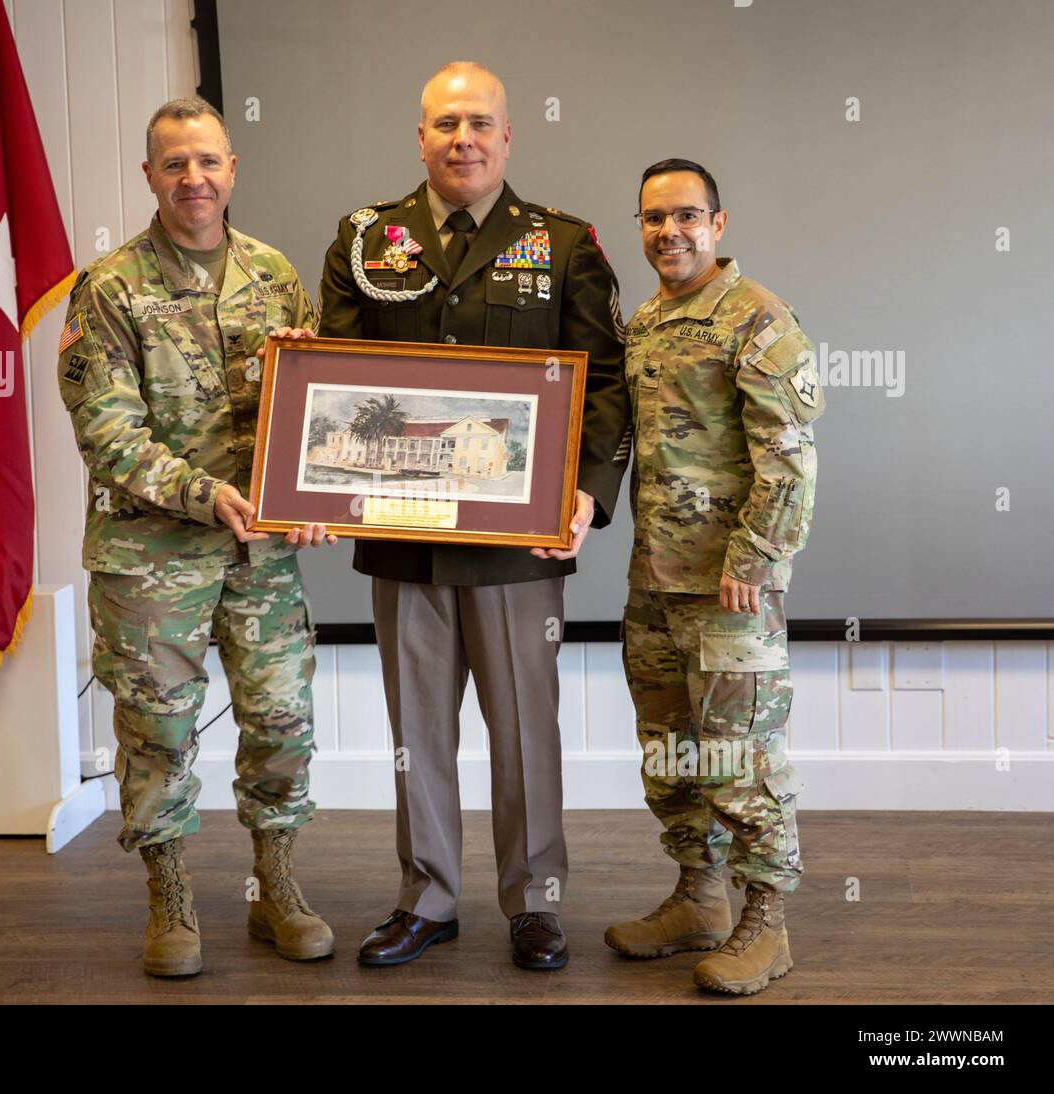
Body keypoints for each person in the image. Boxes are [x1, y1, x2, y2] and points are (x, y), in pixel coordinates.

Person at [313, 62, 631, 969]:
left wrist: (591, 493)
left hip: (517, 547)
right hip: (405, 534)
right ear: (420, 137)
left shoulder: (564, 244)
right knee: (420, 734)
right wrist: (317, 478)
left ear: (507, 137)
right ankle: (430, 899)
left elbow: (603, 383)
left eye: (481, 123)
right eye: (446, 123)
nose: (464, 138)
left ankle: (534, 901)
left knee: (525, 732)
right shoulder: (367, 239)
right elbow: (333, 376)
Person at [57, 96, 336, 977]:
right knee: (157, 733)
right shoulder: (109, 287)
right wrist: (202, 492)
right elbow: (107, 431)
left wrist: (319, 482)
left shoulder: (277, 276)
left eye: (208, 161)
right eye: (175, 164)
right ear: (149, 176)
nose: (194, 178)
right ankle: (170, 897)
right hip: (151, 558)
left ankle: (276, 889)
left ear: (232, 169)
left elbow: (315, 412)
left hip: (261, 555)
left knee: (282, 723)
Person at [604, 158, 823, 995]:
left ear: (719, 224)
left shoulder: (757, 319)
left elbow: (789, 460)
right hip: (655, 584)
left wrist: (755, 561)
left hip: (730, 588)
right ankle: (698, 896)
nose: (671, 232)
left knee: (740, 758)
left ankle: (766, 922)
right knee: (670, 752)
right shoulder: (648, 322)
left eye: (688, 215)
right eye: (655, 218)